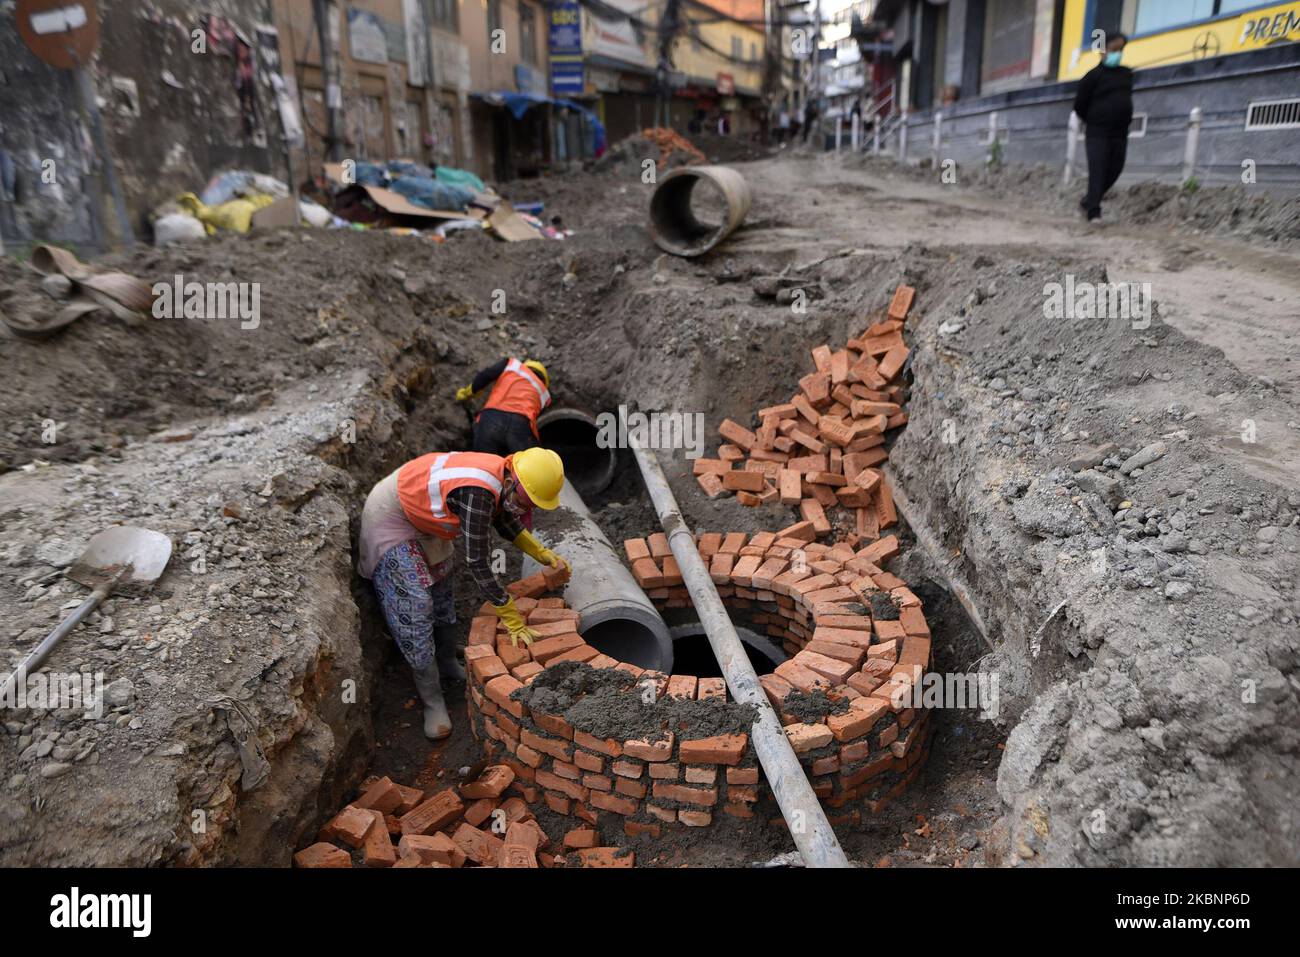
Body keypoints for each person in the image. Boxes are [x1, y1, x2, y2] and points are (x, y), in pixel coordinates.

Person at [358, 447, 569, 740]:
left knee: (442, 587)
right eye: (527, 501)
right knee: (415, 607)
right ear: (514, 481)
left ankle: (446, 663)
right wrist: (506, 610)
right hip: (392, 516)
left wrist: (539, 551)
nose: (526, 508)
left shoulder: (503, 480)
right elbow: (478, 561)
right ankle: (433, 701)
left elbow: (503, 519)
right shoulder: (478, 492)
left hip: (423, 514)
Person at [1073, 32, 1134, 223]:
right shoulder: (1092, 77)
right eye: (1114, 49)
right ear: (1103, 51)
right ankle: (1094, 212)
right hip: (1097, 132)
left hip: (1120, 132)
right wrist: (1094, 119)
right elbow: (1079, 105)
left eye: (1121, 50)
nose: (1118, 53)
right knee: (1098, 170)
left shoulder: (1126, 74)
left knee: (1115, 169)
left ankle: (1088, 201)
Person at [456, 357, 551, 456]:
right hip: (520, 425)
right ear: (544, 381)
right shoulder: (545, 394)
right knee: (530, 464)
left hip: (492, 418)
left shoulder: (512, 365)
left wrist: (470, 391)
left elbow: (487, 375)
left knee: (482, 462)